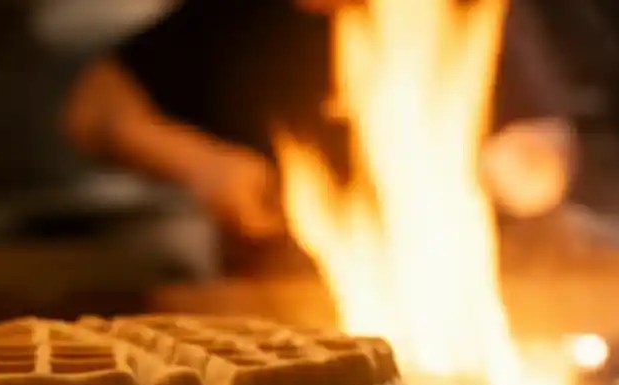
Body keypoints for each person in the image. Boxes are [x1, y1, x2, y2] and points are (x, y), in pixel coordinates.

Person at [63, 0, 575, 258]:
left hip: (470, 304)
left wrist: (522, 167)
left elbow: (548, 145)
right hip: (276, 308)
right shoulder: (232, 17)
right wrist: (200, 163)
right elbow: (91, 107)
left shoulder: (457, 12)